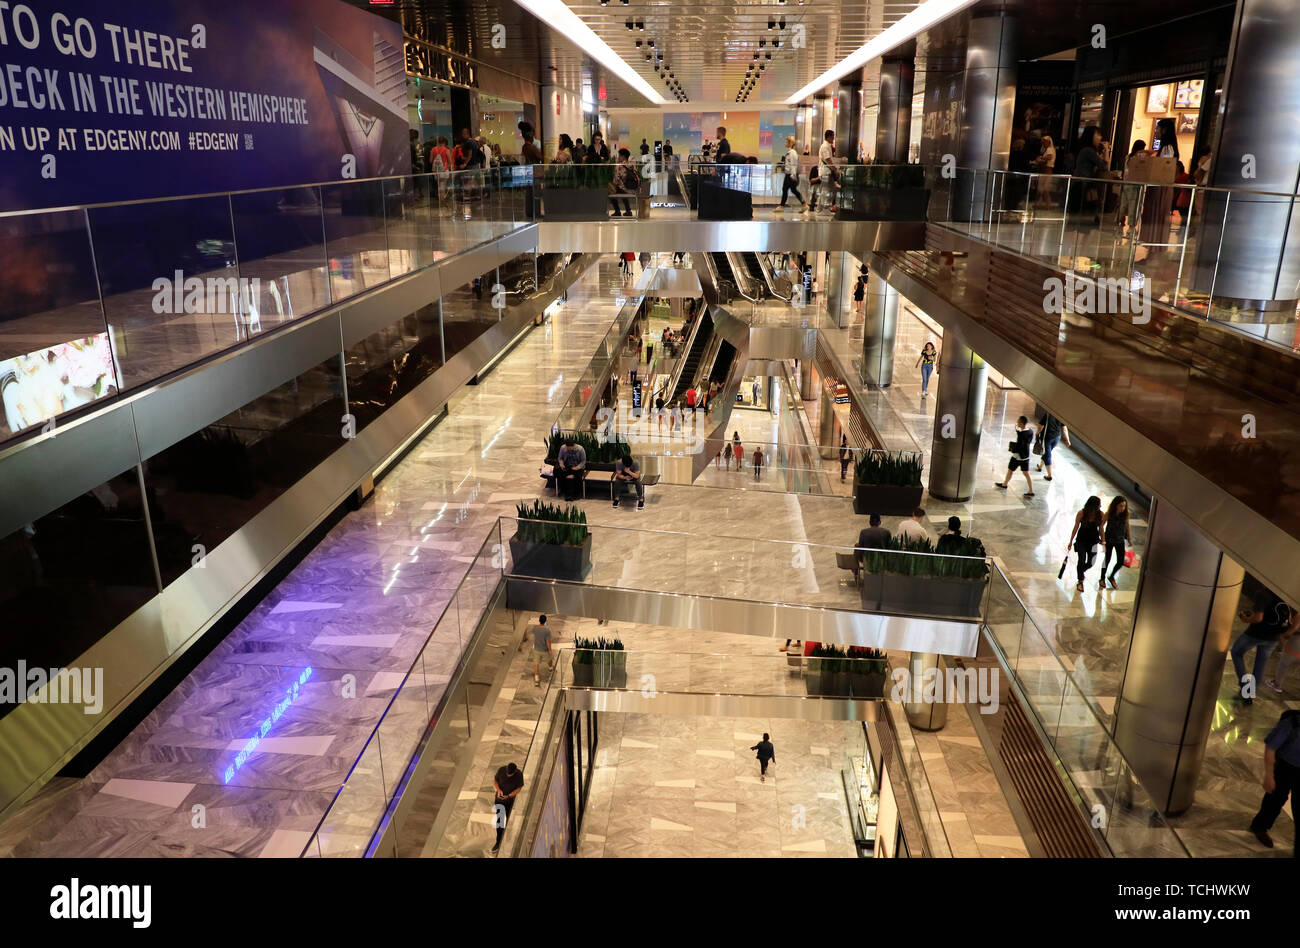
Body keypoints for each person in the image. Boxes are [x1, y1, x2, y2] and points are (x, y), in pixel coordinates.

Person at [1247, 709, 1300, 854]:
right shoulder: (1291, 723)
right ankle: (1260, 827)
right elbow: (1271, 748)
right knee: (1275, 800)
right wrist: (1269, 776)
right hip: (1286, 768)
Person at [1231, 585, 1295, 704]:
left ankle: (1244, 687)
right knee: (1260, 664)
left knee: (1236, 652)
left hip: (1255, 634)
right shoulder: (1285, 594)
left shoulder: (1263, 594)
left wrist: (1245, 619)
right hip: (1273, 638)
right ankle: (1250, 693)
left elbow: (1258, 618)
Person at [1073, 126, 1110, 223]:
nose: (1100, 137)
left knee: (1081, 222)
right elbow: (1104, 166)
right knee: (1085, 222)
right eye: (1097, 134)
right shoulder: (1088, 151)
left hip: (1081, 186)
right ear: (1090, 136)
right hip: (1084, 188)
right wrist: (1107, 150)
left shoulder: (1086, 150)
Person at [1067, 495, 1104, 592]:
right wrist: (1071, 541)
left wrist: (1103, 541)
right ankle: (1080, 581)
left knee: (1091, 562)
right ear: (1093, 506)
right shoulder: (1081, 513)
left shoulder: (1100, 515)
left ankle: (1080, 571)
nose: (1100, 507)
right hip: (1081, 540)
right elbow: (1075, 527)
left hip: (1093, 541)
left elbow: (1101, 529)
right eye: (1099, 505)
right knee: (1081, 559)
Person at [994, 415, 1035, 496]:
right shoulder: (1030, 431)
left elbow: (1020, 444)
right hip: (1026, 456)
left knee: (1010, 470)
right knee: (1026, 473)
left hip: (1017, 456)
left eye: (1018, 422)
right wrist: (1017, 431)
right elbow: (1025, 439)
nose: (1017, 423)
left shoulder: (1021, 434)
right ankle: (1031, 490)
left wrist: (1013, 449)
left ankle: (1005, 484)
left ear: (1022, 423)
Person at [1099, 496, 1132, 590]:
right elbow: (1101, 526)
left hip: (1120, 540)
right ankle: (1102, 578)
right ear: (1116, 505)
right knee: (1107, 560)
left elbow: (1127, 526)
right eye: (1121, 506)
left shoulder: (1126, 514)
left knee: (1120, 561)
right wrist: (1103, 539)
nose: (1123, 508)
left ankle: (1112, 576)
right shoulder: (1108, 514)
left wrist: (1129, 539)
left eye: (1124, 506)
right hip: (1109, 540)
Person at [491, 762, 524, 853]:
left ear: (515, 771)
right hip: (499, 799)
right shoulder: (501, 770)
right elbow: (495, 781)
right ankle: (498, 842)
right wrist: (498, 790)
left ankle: (506, 835)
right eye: (507, 774)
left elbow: (519, 788)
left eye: (510, 774)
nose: (508, 775)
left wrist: (509, 796)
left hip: (509, 801)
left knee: (507, 819)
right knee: (500, 820)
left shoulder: (519, 775)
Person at [1115, 139, 1146, 234]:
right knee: (1133, 206)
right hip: (1134, 185)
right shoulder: (1139, 158)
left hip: (1125, 183)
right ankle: (1131, 226)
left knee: (1123, 204)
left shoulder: (1128, 157)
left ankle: (1119, 220)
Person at [775, 135, 807, 213]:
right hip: (789, 174)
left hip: (790, 174)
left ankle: (781, 206)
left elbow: (793, 164)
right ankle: (804, 204)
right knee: (792, 190)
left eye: (786, 141)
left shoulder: (792, 153)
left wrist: (793, 175)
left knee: (786, 189)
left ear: (790, 143)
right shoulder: (790, 152)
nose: (785, 143)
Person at [1035, 411, 1071, 479]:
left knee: (1047, 455)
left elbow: (1040, 426)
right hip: (1056, 438)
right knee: (1047, 452)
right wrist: (1067, 440)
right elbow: (1064, 429)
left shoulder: (1048, 415)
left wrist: (1037, 434)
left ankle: (1049, 475)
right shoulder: (1061, 414)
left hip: (1047, 438)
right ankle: (1040, 467)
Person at [524, 614, 553, 685]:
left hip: (536, 649)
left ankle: (536, 679)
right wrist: (550, 650)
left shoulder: (535, 628)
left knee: (536, 664)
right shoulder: (547, 631)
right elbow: (548, 641)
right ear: (545, 621)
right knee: (549, 659)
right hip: (544, 649)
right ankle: (550, 667)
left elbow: (531, 632)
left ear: (539, 621)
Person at [610, 147, 638, 218]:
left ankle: (617, 211)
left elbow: (616, 180)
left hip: (623, 188)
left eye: (619, 156)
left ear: (623, 157)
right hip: (632, 188)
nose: (618, 157)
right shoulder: (631, 165)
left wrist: (612, 184)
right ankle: (628, 211)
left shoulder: (618, 166)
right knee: (622, 189)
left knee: (611, 190)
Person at [817, 129, 839, 212]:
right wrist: (835, 169)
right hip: (825, 172)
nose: (833, 138)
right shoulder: (825, 146)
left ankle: (822, 208)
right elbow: (828, 160)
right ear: (829, 137)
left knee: (829, 190)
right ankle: (821, 208)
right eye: (833, 136)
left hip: (826, 172)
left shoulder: (827, 146)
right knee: (826, 190)